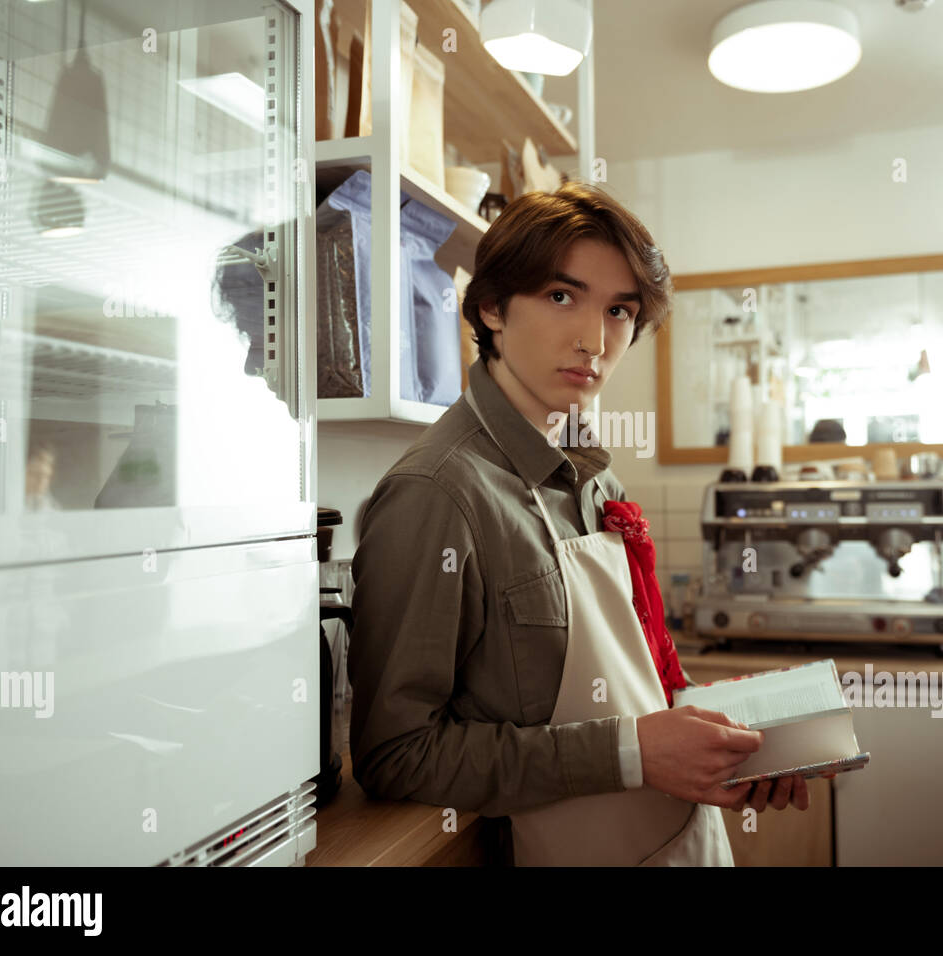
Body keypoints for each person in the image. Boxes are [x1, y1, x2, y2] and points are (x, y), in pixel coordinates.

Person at [348, 182, 816, 867]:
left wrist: (731, 746)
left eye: (620, 311)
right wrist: (633, 753)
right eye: (562, 297)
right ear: (491, 307)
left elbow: (635, 681)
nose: (595, 340)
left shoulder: (593, 475)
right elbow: (396, 754)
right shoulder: (438, 495)